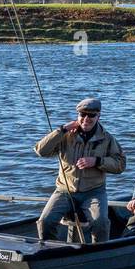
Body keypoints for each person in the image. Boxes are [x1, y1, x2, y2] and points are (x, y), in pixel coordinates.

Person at [33, 97, 126, 244]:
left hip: (94, 191)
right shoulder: (65, 135)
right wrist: (61, 130)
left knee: (100, 223)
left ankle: (99, 253)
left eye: (91, 115)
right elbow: (40, 151)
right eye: (83, 115)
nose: (86, 119)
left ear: (98, 116)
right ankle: (50, 251)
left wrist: (97, 161)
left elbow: (120, 165)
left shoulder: (107, 139)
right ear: (78, 115)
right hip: (65, 190)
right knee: (45, 221)